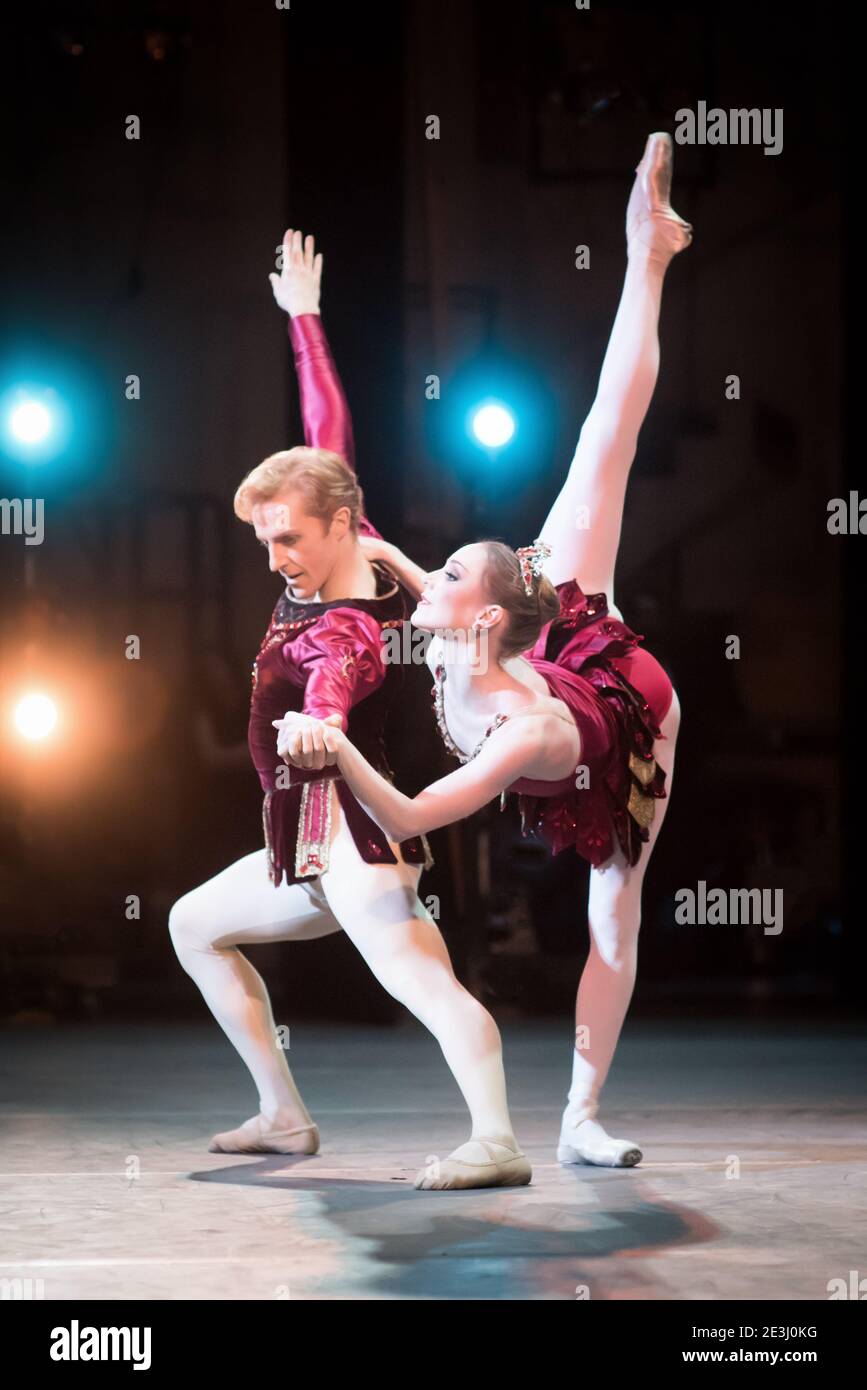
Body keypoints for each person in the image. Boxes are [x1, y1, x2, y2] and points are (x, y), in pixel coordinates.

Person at [275, 133, 690, 1168]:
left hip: (625, 713)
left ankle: (580, 1117)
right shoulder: (474, 616)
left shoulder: (525, 728)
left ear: (483, 617)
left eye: (444, 574)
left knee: (612, 910)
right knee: (599, 444)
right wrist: (304, 322)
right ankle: (649, 254)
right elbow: (346, 483)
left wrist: (330, 745)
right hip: (543, 635)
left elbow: (412, 815)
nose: (421, 576)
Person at [168, 230, 532, 1191]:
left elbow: (338, 679)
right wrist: (302, 322)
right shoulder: (346, 529)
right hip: (303, 846)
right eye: (262, 539)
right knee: (193, 923)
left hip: (356, 845)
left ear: (337, 525)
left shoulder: (350, 626)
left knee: (427, 983)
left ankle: (495, 1141)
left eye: (286, 537)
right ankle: (284, 1117)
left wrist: (316, 723)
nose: (274, 556)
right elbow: (327, 432)